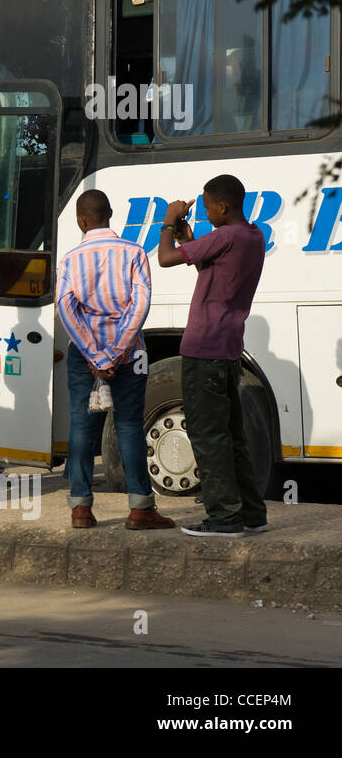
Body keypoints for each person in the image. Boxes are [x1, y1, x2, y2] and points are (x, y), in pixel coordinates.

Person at [156, 174, 267, 538]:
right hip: (229, 350)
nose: (204, 214)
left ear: (224, 206)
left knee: (207, 436)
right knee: (232, 437)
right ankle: (251, 513)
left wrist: (168, 221)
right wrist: (191, 240)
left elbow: (165, 258)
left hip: (204, 350)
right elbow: (214, 268)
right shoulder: (252, 236)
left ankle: (224, 518)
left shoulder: (224, 236)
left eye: (207, 208)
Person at [56, 190, 173, 531]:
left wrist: (94, 353)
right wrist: (116, 351)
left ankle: (80, 508)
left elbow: (66, 307)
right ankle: (140, 508)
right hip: (130, 353)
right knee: (129, 427)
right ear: (111, 213)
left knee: (81, 426)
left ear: (81, 220)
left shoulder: (70, 260)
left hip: (84, 356)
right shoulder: (134, 252)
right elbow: (141, 304)